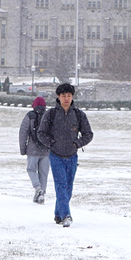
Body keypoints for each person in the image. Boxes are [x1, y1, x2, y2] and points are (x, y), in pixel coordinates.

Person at [37, 83, 93, 227]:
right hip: (56, 155)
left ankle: (58, 213)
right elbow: (41, 133)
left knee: (68, 187)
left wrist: (77, 144)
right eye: (63, 96)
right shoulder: (51, 114)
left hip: (72, 156)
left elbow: (88, 134)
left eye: (69, 96)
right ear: (58, 97)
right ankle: (66, 215)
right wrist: (52, 144)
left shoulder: (79, 115)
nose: (66, 99)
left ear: (72, 97)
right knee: (61, 185)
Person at [19, 96, 50, 204]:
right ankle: (42, 195)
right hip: (47, 150)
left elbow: (23, 133)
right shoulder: (49, 115)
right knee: (43, 173)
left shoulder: (29, 116)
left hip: (33, 149)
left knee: (31, 169)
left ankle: (38, 189)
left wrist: (23, 149)